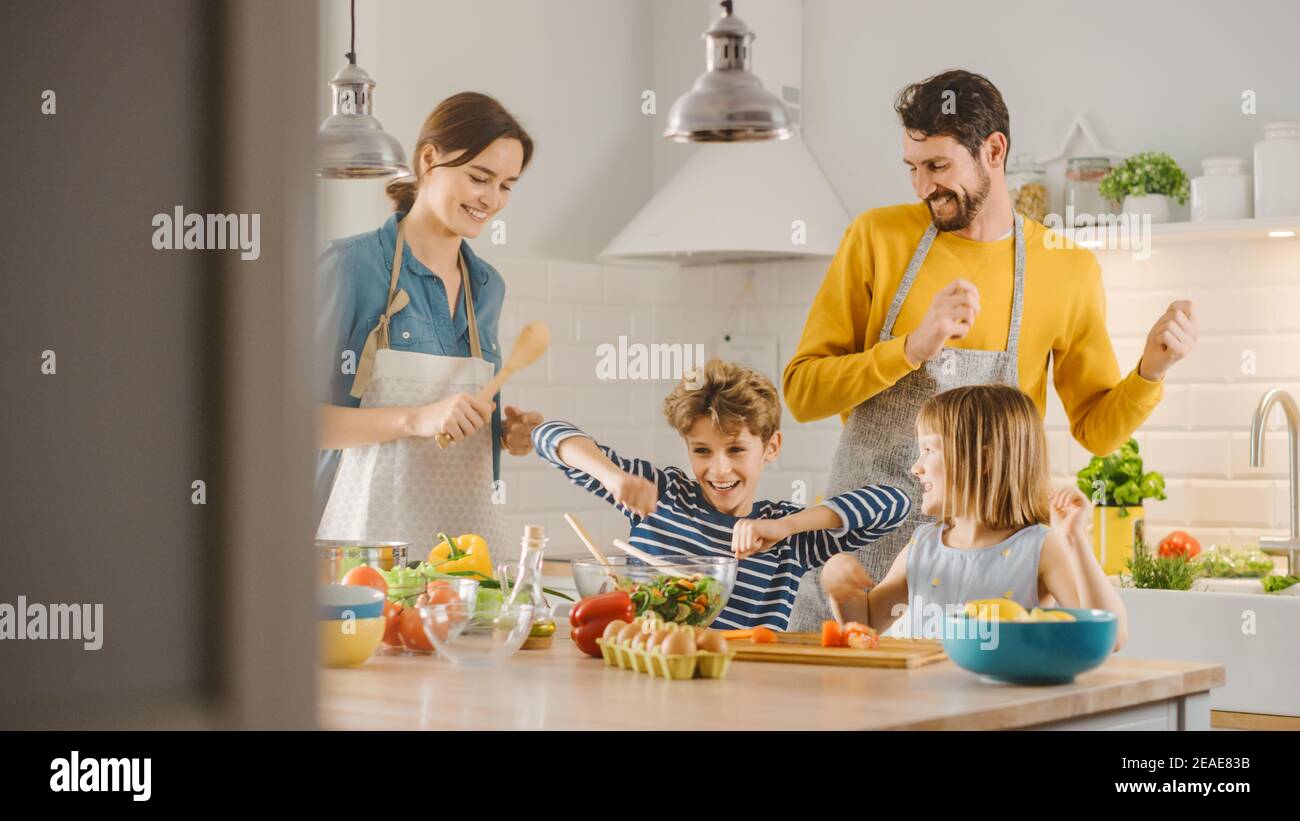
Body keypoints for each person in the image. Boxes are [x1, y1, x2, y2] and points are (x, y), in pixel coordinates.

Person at [782, 69, 1198, 631]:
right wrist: (911, 347)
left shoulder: (1065, 267)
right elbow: (803, 394)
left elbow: (1096, 430)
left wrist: (1151, 370)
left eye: (938, 166)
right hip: (860, 558)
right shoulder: (876, 239)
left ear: (994, 150)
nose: (922, 186)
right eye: (913, 167)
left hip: (990, 573)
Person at [316, 92, 544, 557]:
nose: (492, 199)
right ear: (428, 159)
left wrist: (502, 431)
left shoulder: (488, 286)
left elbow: (453, 421)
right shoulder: (350, 267)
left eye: (506, 185)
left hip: (463, 554)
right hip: (360, 553)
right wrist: (415, 419)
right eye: (479, 177)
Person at [531, 359, 911, 631]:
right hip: (644, 673)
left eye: (735, 450)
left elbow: (894, 503)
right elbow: (547, 435)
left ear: (771, 446)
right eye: (702, 451)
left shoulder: (787, 538)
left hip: (744, 694)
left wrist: (786, 526)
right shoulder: (662, 495)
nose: (719, 470)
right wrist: (611, 476)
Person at [820, 384, 1127, 651]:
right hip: (921, 709)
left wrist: (1074, 539)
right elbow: (867, 622)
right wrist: (840, 586)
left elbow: (1110, 637)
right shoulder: (922, 546)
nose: (917, 466)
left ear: (984, 460)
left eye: (929, 449)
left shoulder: (1040, 548)